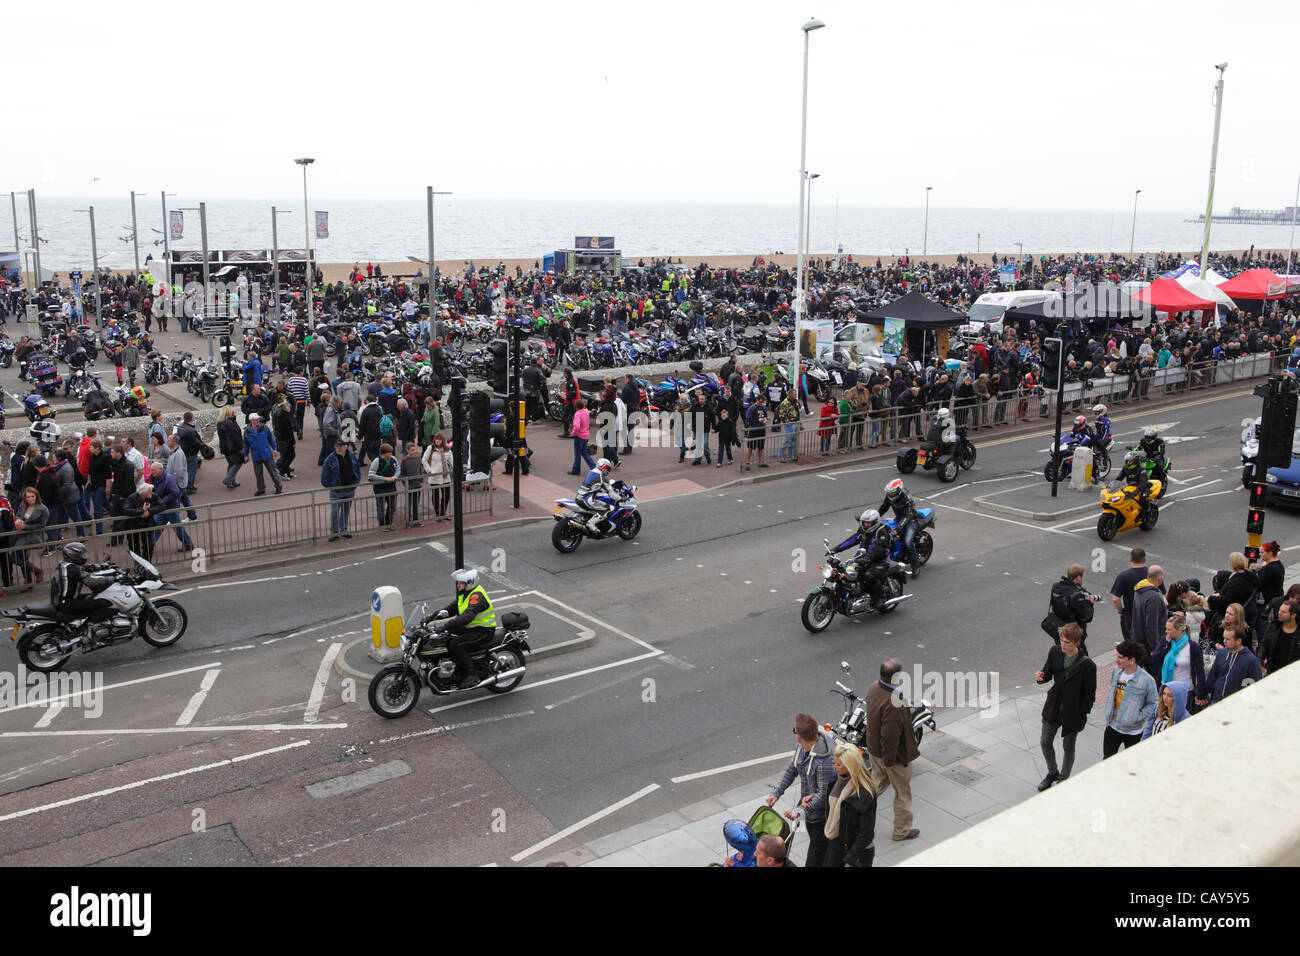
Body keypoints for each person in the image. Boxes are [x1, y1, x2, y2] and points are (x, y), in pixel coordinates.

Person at [765, 713, 836, 868]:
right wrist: (776, 792)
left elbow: (823, 795)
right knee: (793, 835)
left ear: (799, 736)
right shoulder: (802, 747)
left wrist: (801, 810)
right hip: (806, 805)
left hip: (820, 815)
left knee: (816, 854)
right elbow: (791, 769)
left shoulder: (825, 761)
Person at [1035, 622, 1097, 790]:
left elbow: (1090, 694)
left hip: (1073, 711)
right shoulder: (1055, 652)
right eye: (1061, 639)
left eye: (1067, 641)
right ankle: (1052, 772)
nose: (1062, 643)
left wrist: (1082, 713)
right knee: (1045, 741)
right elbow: (1047, 673)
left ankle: (1064, 778)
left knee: (1068, 746)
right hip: (1054, 704)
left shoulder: (1087, 665)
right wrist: (1041, 677)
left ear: (1076, 642)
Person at [865, 658, 921, 842]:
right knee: (902, 794)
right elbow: (890, 736)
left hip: (874, 751)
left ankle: (854, 810)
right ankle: (901, 831)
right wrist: (889, 762)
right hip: (893, 758)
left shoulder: (874, 687)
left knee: (876, 786)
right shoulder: (893, 701)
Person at [437, 568, 497, 689]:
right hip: (472, 628)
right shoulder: (464, 594)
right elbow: (450, 609)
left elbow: (468, 615)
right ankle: (456, 669)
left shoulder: (476, 595)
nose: (458, 585)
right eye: (458, 582)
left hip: (484, 630)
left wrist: (446, 625)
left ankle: (471, 675)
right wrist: (431, 617)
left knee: (456, 644)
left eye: (461, 583)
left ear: (470, 583)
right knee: (446, 638)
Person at [822, 744, 878, 867]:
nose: (834, 767)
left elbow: (866, 833)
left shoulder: (865, 794)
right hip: (835, 845)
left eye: (838, 764)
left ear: (849, 766)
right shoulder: (835, 782)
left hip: (855, 854)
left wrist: (850, 861)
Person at [1103, 640, 1158, 758]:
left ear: (1132, 660)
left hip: (1133, 731)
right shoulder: (1116, 671)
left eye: (1121, 657)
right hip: (1112, 726)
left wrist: (1138, 717)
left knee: (1132, 763)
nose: (1117, 660)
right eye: (1117, 656)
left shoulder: (1147, 680)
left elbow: (1153, 703)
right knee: (1107, 759)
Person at [1145, 612, 1209, 714]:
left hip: (1184, 692)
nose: (1166, 632)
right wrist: (1165, 645)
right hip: (1166, 690)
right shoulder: (1166, 641)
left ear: (1180, 630)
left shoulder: (1193, 647)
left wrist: (1201, 693)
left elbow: (1199, 670)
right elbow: (1156, 660)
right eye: (1166, 629)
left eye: (1169, 630)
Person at [1202, 624, 1263, 706]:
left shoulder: (1251, 661)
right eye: (1224, 638)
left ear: (1239, 641)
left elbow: (1253, 687)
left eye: (1228, 639)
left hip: (1236, 706)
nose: (1224, 641)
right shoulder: (1222, 653)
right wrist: (1202, 695)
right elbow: (1213, 676)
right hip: (1217, 702)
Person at [1048, 563, 1097, 655]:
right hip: (1073, 631)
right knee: (1080, 656)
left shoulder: (1056, 587)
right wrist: (1090, 603)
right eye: (1083, 577)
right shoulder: (1076, 594)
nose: (1083, 579)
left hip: (1058, 626)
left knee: (1062, 653)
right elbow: (1087, 617)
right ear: (1077, 578)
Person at [878, 478, 921, 576]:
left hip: (911, 520)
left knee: (908, 541)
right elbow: (884, 507)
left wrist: (897, 529)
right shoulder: (890, 495)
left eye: (892, 493)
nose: (890, 495)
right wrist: (874, 517)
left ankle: (916, 566)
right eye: (889, 493)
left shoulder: (907, 498)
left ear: (899, 491)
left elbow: (907, 515)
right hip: (898, 518)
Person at [321, 439, 359, 541]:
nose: (338, 448)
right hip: (337, 491)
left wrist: (356, 482)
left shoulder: (351, 456)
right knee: (334, 512)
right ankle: (334, 532)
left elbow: (357, 469)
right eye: (337, 447)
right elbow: (324, 475)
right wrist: (330, 486)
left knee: (345, 511)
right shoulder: (330, 459)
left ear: (345, 447)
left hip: (349, 489)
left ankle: (343, 530)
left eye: (340, 447)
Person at [10, 487, 48, 587]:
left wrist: (26, 526)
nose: (30, 499)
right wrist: (18, 520)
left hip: (31, 535)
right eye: (28, 497)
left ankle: (35, 574)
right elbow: (17, 515)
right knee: (19, 558)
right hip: (20, 534)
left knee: (14, 557)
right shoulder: (23, 504)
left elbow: (42, 525)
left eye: (32, 496)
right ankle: (31, 579)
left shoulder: (43, 509)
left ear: (36, 496)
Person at [1109, 547, 1148, 642]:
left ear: (1130, 559)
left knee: (1130, 644)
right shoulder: (1152, 573)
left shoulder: (1123, 576)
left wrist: (1120, 610)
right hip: (1148, 613)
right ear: (1144, 559)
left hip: (1130, 615)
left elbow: (1115, 599)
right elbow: (1163, 595)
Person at [1129, 565, 1168, 658]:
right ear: (1159, 578)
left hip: (1137, 639)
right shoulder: (1154, 597)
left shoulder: (1139, 589)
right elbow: (1151, 625)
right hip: (1148, 646)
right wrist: (1155, 648)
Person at [242, 413, 283, 496]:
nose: (258, 421)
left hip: (266, 453)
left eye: (258, 419)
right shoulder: (247, 431)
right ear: (251, 421)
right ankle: (261, 489)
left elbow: (271, 439)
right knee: (258, 473)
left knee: (272, 471)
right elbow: (245, 445)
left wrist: (274, 449)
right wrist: (245, 455)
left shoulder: (264, 427)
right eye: (256, 419)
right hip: (256, 455)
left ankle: (278, 487)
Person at [576, 458, 618, 534]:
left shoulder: (592, 472)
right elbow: (611, 494)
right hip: (586, 500)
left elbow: (593, 487)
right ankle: (591, 523)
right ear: (603, 467)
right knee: (609, 508)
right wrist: (621, 498)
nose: (608, 471)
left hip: (579, 497)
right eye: (608, 468)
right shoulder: (602, 478)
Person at [1261, 599, 1300, 674]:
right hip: (1272, 671)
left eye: (1284, 612)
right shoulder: (1274, 626)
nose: (1279, 613)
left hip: (1292, 673)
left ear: (1293, 615)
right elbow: (1264, 645)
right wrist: (1260, 662)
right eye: (1280, 610)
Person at [367, 442, 399, 529]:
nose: (391, 454)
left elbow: (398, 469)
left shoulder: (393, 459)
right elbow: (371, 475)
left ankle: (389, 522)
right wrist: (385, 479)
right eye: (390, 452)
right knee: (380, 508)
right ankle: (382, 524)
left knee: (392, 506)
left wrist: (395, 477)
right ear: (385, 453)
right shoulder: (376, 461)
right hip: (380, 489)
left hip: (392, 487)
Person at [399, 442, 424, 528]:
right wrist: (405, 484)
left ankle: (416, 520)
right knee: (408, 504)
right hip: (409, 485)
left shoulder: (417, 458)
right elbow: (402, 474)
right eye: (412, 450)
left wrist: (421, 480)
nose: (414, 451)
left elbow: (420, 470)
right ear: (408, 450)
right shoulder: (404, 460)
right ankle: (408, 521)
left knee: (416, 503)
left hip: (417, 484)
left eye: (415, 449)